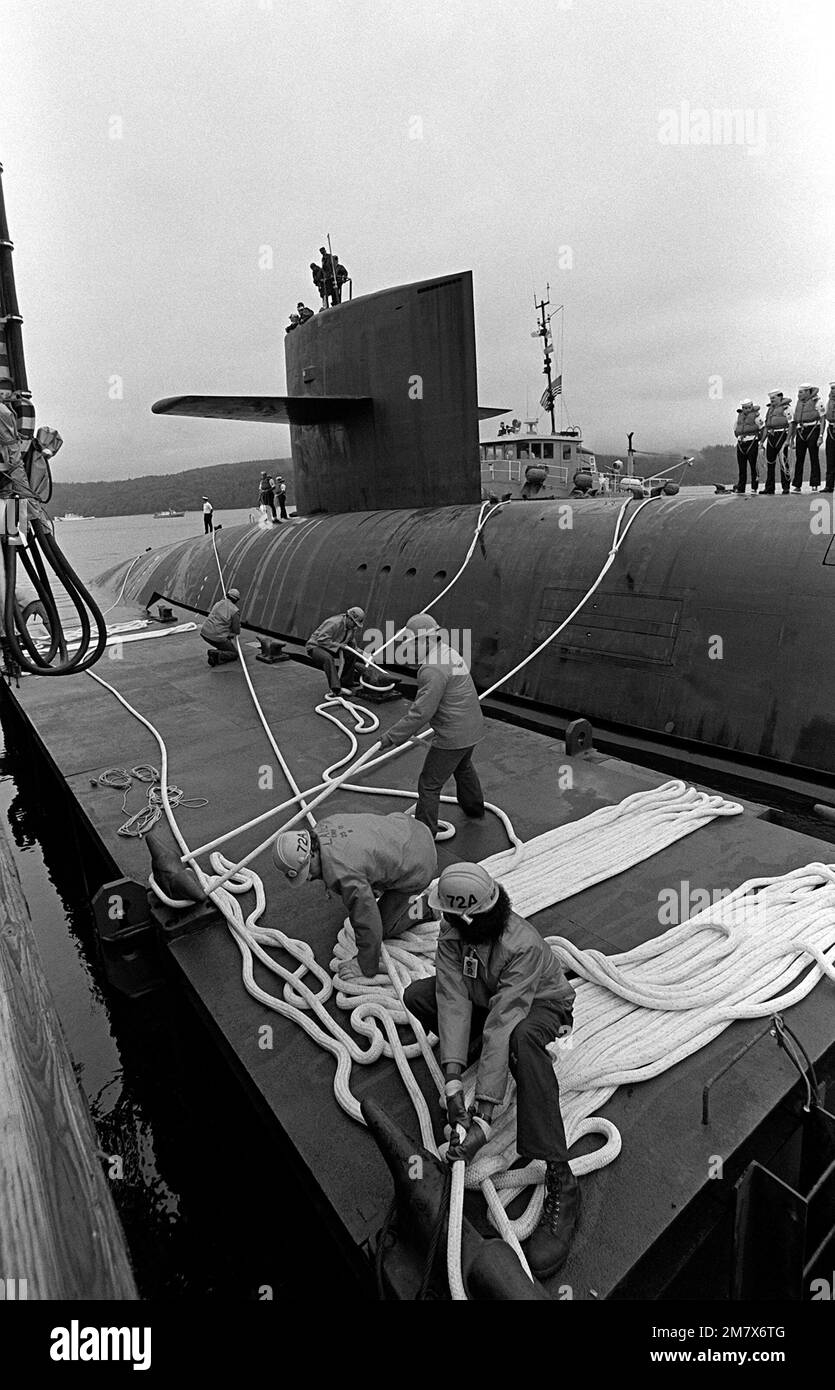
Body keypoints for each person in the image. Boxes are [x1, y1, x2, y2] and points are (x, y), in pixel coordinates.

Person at [403, 862, 579, 1278]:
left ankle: (561, 1175)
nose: (442, 920)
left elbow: (505, 1019)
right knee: (418, 997)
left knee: (521, 1043)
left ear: (468, 917)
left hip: (540, 1005)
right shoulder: (455, 933)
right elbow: (451, 997)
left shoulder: (525, 946)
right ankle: (470, 1052)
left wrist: (482, 1115)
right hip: (488, 994)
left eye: (448, 916)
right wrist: (451, 1079)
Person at [273, 811, 437, 978]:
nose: (307, 878)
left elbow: (368, 921)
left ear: (312, 854)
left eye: (306, 871)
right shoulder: (324, 826)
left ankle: (425, 908)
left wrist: (365, 965)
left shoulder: (345, 874)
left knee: (383, 927)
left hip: (420, 864)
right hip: (410, 828)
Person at [377, 613, 485, 840]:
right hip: (472, 728)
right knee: (463, 766)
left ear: (426, 640)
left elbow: (421, 713)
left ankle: (425, 836)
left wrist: (390, 737)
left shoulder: (432, 669)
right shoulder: (449, 653)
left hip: (453, 736)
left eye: (412, 644)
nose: (410, 650)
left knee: (429, 784)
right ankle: (475, 809)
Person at [305, 606, 366, 697]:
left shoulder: (352, 628)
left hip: (333, 647)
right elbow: (321, 640)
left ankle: (346, 681)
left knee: (351, 653)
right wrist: (340, 646)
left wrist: (363, 653)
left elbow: (352, 644)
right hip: (316, 647)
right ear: (349, 618)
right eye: (354, 623)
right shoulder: (333, 623)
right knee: (327, 658)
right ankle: (336, 688)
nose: (355, 626)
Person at [792, 383, 824, 492]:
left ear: (807, 392)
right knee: (799, 458)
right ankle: (797, 485)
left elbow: (823, 418)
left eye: (801, 392)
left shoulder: (817, 401)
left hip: (813, 429)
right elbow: (794, 421)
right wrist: (792, 439)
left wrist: (820, 435)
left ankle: (815, 484)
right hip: (801, 431)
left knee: (813, 457)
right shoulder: (799, 403)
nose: (798, 394)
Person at [200, 587, 241, 667]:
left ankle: (220, 650)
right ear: (236, 600)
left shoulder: (218, 603)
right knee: (234, 654)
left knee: (226, 640)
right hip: (216, 636)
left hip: (204, 632)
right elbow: (236, 630)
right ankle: (217, 655)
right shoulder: (235, 611)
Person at [762, 392, 792, 495]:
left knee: (783, 462)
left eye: (773, 398)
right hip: (771, 436)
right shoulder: (770, 409)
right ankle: (769, 487)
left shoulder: (786, 408)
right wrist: (762, 441)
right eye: (770, 398)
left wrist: (788, 440)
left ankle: (786, 487)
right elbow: (766, 425)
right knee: (770, 462)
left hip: (782, 434)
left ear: (780, 397)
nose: (772, 400)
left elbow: (791, 423)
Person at [733, 400, 763, 494]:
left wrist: (760, 441)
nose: (746, 410)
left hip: (752, 441)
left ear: (751, 407)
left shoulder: (757, 417)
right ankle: (741, 487)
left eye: (748, 408)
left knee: (753, 466)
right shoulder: (739, 418)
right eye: (744, 408)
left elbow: (762, 428)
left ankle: (754, 487)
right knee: (742, 468)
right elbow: (735, 429)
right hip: (741, 443)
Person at [824, 382, 835, 494]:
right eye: (831, 388)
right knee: (830, 458)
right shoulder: (829, 401)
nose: (832, 391)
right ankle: (829, 485)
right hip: (831, 429)